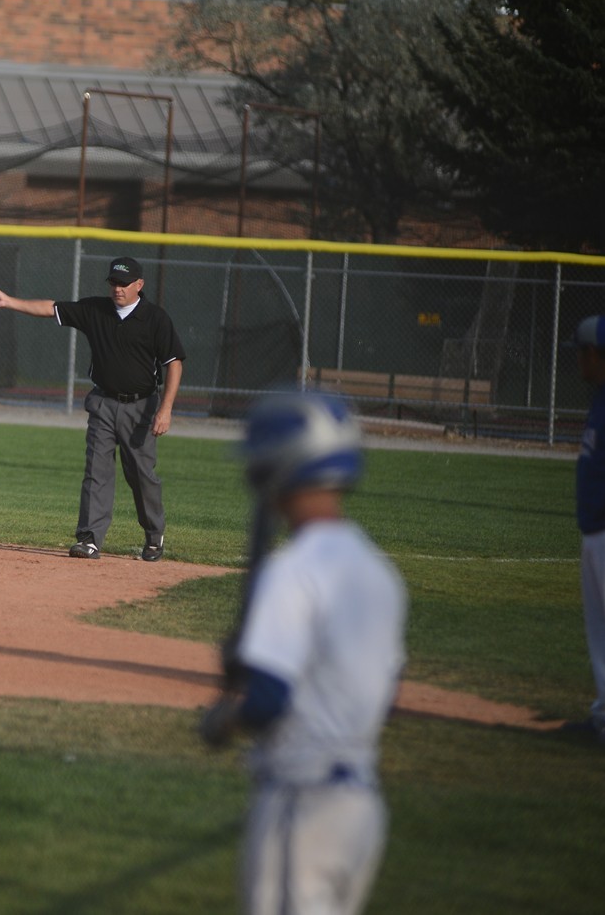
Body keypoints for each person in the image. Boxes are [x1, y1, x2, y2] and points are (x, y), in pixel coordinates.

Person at [200, 390, 408, 915]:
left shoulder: (291, 571)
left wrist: (223, 719)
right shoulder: (379, 570)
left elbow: (268, 699)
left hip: (301, 802)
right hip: (360, 806)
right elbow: (387, 695)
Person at [0, 256, 185, 561]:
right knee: (96, 472)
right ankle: (89, 538)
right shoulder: (96, 310)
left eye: (124, 284)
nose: (117, 288)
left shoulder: (155, 319)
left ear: (139, 285)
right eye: (113, 282)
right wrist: (9, 302)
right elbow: (51, 308)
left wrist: (165, 410)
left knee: (141, 475)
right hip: (102, 403)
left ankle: (154, 535)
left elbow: (174, 364)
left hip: (140, 408)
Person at [571, 314, 605, 749]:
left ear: (592, 353)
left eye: (579, 353)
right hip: (599, 529)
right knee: (604, 629)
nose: (578, 362)